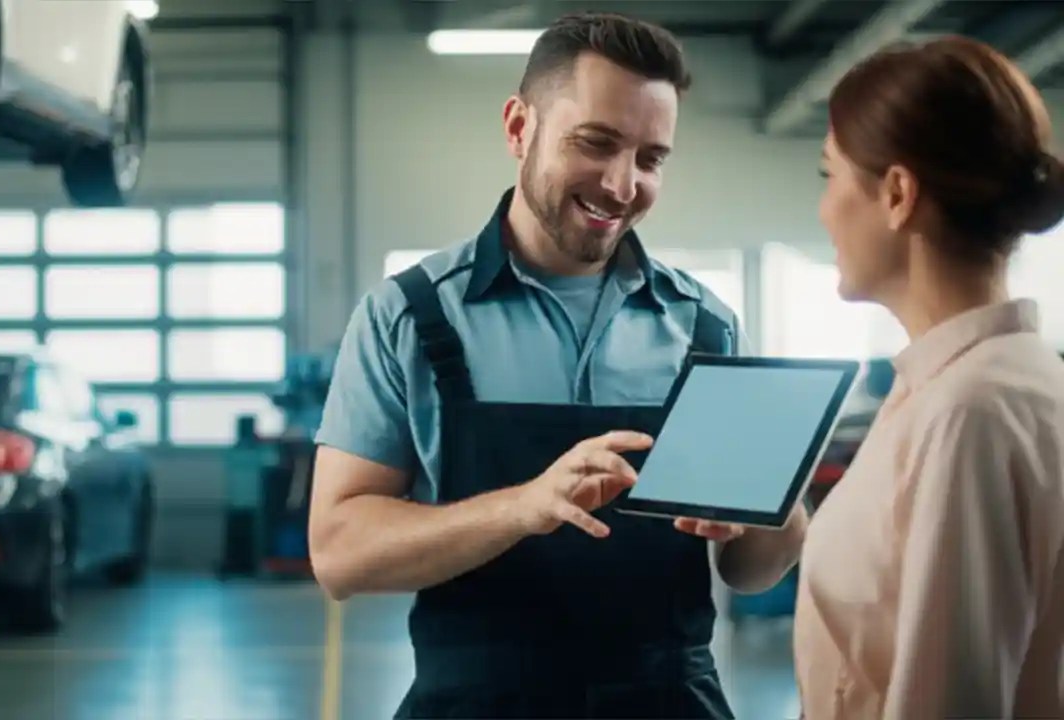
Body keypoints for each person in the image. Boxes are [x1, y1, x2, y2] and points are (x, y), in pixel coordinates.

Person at [309, 12, 806, 719]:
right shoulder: (410, 318)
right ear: (519, 127)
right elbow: (338, 553)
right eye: (596, 143)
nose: (622, 184)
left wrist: (777, 518)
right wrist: (520, 508)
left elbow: (749, 572)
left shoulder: (705, 325)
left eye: (651, 158)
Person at [795, 35, 1064, 719]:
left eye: (830, 177)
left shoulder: (970, 409)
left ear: (896, 194)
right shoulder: (961, 385)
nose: (824, 211)